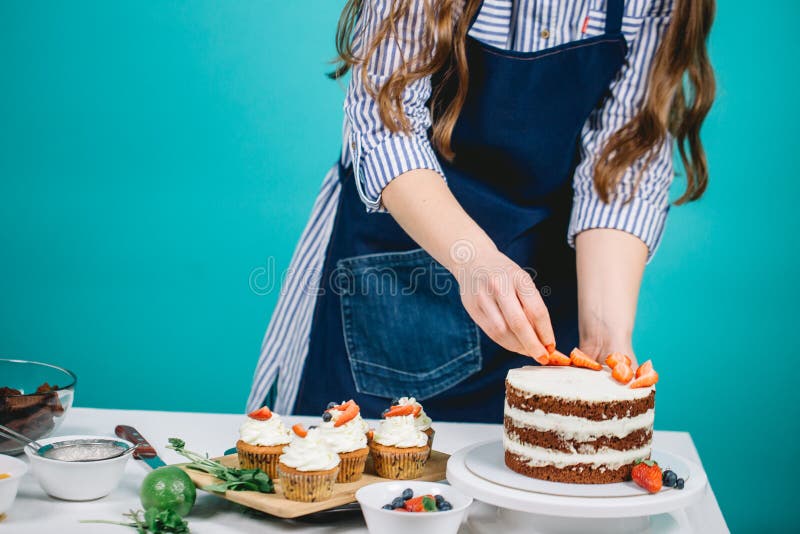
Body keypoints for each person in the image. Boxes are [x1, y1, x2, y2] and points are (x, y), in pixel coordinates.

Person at [248, 0, 715, 422]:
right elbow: (385, 126)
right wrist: (474, 259)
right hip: (390, 294)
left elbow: (622, 160)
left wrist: (605, 333)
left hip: (542, 300)